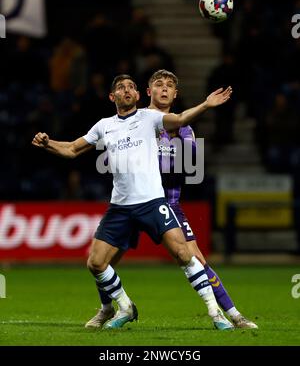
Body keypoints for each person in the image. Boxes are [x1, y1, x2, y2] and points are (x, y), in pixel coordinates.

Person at [32, 74, 233, 330]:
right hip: (120, 207)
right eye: (120, 88)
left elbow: (181, 119)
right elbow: (71, 149)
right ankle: (122, 307)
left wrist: (206, 105)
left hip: (152, 201)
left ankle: (217, 314)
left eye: (131, 87)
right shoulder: (103, 125)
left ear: (138, 95)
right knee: (96, 263)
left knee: (185, 254)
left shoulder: (149, 118)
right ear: (112, 96)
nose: (126, 90)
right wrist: (48, 144)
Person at [85, 70, 258, 330]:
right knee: (103, 262)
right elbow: (114, 159)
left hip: (167, 203)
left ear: (176, 94)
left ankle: (233, 315)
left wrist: (169, 149)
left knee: (195, 258)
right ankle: (107, 308)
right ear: (148, 92)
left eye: (170, 86)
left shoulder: (183, 128)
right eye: (158, 84)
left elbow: (193, 167)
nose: (164, 89)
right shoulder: (137, 120)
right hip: (131, 201)